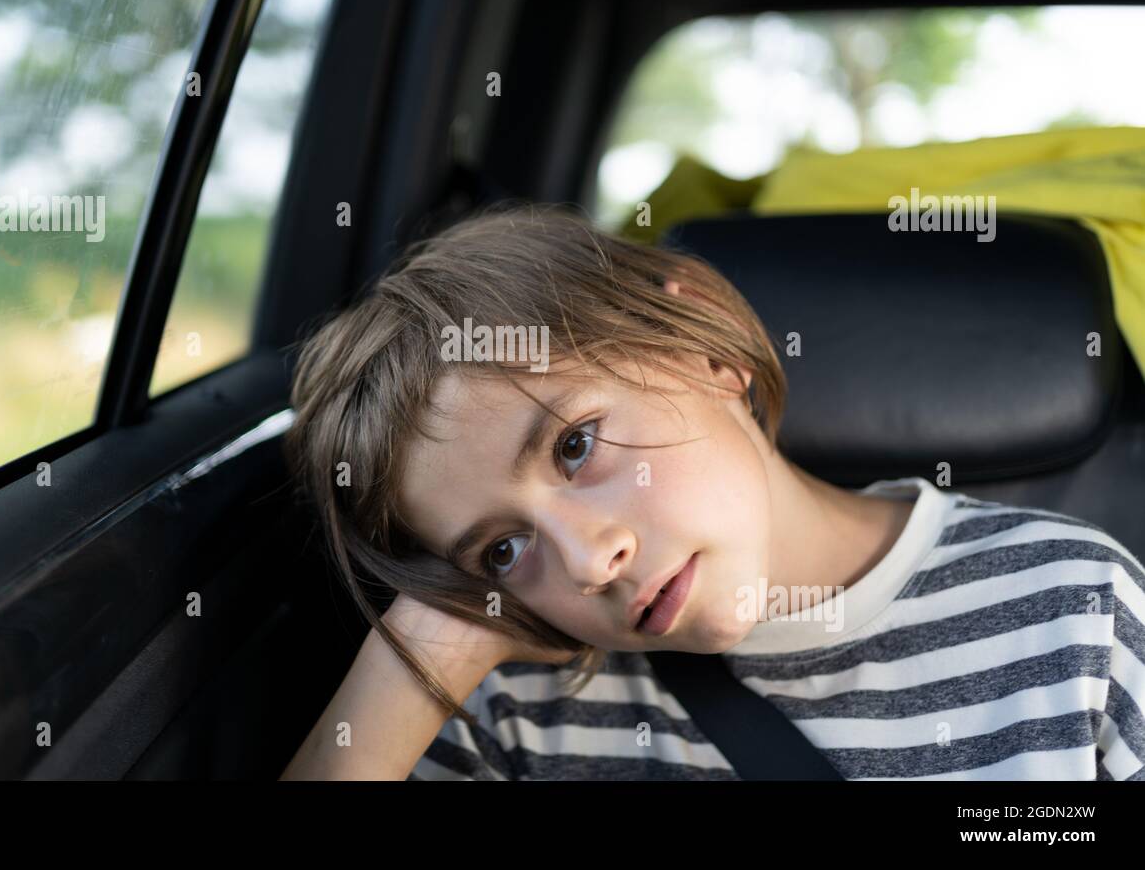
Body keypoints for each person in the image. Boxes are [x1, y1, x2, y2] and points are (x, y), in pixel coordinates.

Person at [278, 203, 1144, 780]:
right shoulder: (514, 714)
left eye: (575, 445)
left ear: (710, 350)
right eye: (502, 549)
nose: (586, 562)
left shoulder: (1071, 609)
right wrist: (413, 665)